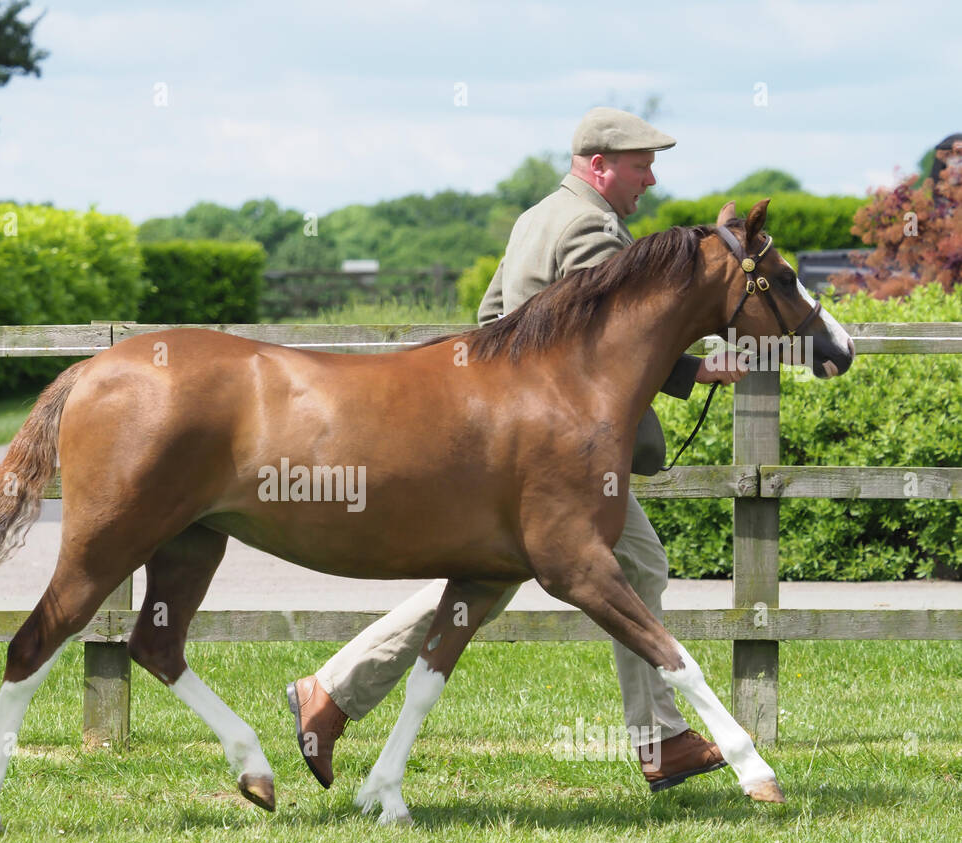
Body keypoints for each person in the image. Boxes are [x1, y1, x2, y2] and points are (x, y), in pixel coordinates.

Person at [287, 106, 749, 794]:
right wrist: (692, 370)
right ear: (599, 164)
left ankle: (332, 694)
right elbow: (613, 336)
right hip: (558, 456)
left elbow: (490, 320)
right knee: (598, 571)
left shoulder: (535, 217)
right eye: (640, 165)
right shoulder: (592, 227)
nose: (651, 178)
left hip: (513, 449)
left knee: (503, 580)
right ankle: (660, 740)